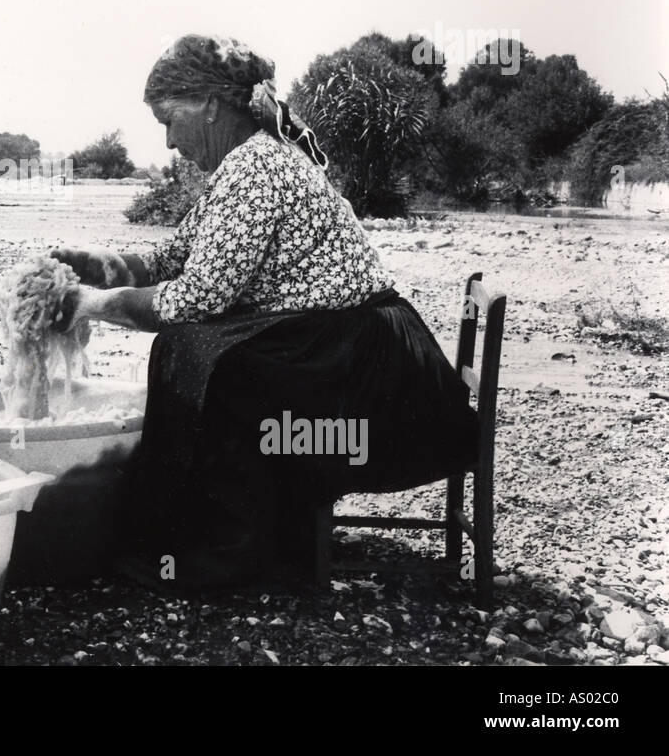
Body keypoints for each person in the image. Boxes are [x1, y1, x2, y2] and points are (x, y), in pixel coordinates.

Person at [53, 34, 479, 593]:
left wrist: (88, 305)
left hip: (370, 374)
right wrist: (101, 264)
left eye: (168, 120)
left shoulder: (257, 169)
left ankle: (230, 551)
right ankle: (260, 531)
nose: (169, 142)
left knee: (199, 357)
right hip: (349, 347)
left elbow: (193, 299)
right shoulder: (244, 165)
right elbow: (173, 258)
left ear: (208, 105)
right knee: (197, 350)